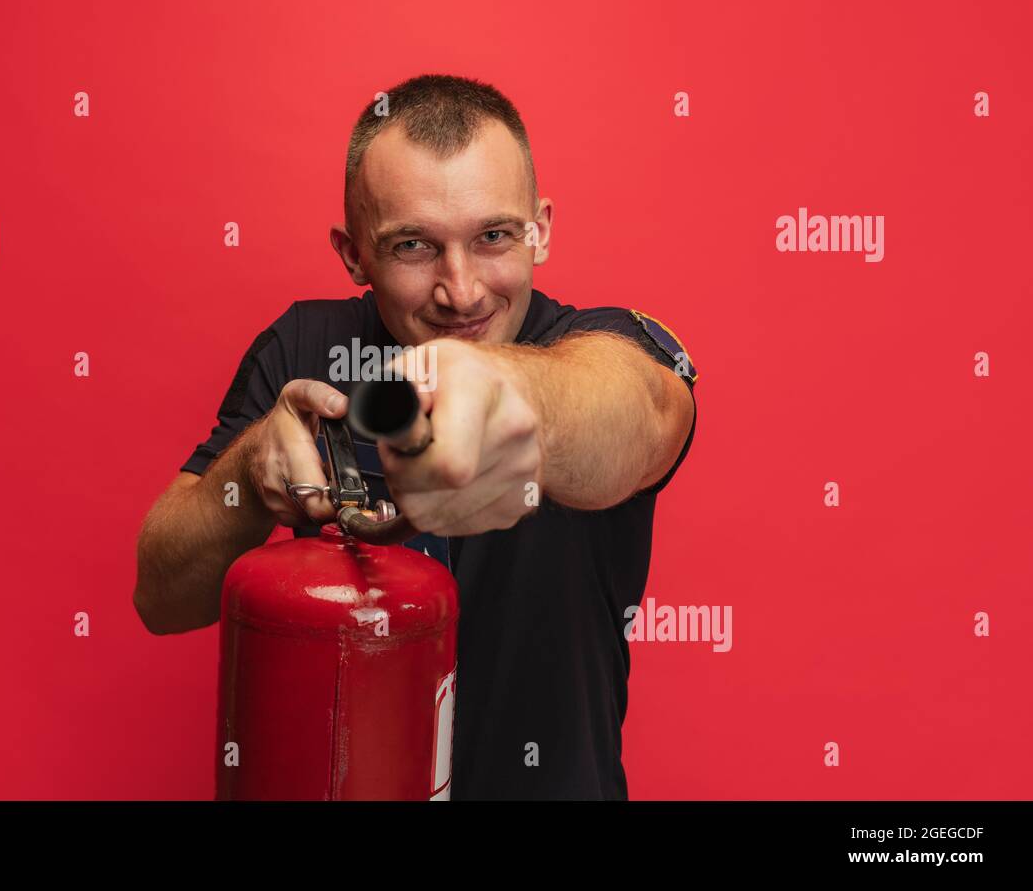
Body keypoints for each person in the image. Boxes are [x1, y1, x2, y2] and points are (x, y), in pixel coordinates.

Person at [134, 73, 699, 799]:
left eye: (494, 235)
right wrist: (248, 473)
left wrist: (509, 392)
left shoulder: (599, 346)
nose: (460, 290)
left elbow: (646, 410)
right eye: (412, 247)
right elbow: (160, 595)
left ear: (542, 228)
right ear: (352, 254)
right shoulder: (304, 348)